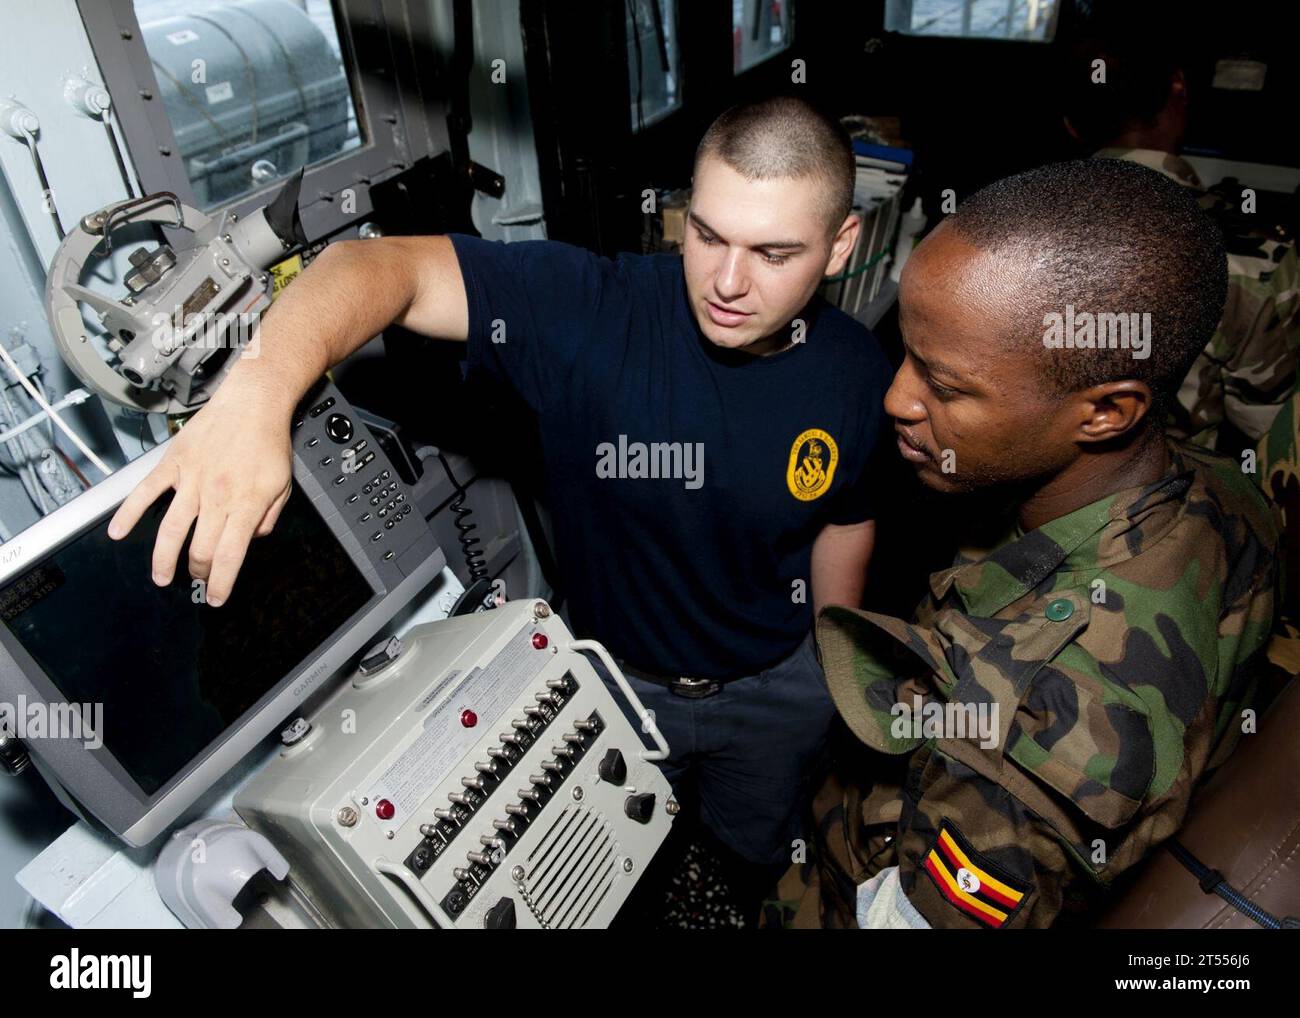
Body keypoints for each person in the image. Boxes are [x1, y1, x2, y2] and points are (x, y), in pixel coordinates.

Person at [107, 96, 893, 915]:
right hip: (619, 681)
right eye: (707, 235)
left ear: (840, 246)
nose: (728, 282)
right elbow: (374, 271)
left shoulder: (854, 369)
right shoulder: (594, 311)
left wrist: (837, 667)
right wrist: (255, 400)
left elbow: (847, 518)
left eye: (773, 253)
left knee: (753, 856)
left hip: (776, 688)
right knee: (605, 870)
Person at [767, 158, 1280, 929]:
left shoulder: (1020, 747)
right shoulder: (1217, 489)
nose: (896, 398)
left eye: (943, 386)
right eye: (905, 355)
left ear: (1106, 412)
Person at [1059, 0, 1300, 456]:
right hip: (1172, 502)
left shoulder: (1013, 229)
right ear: (1179, 90)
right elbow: (1265, 423)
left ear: (1071, 125)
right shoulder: (1253, 253)